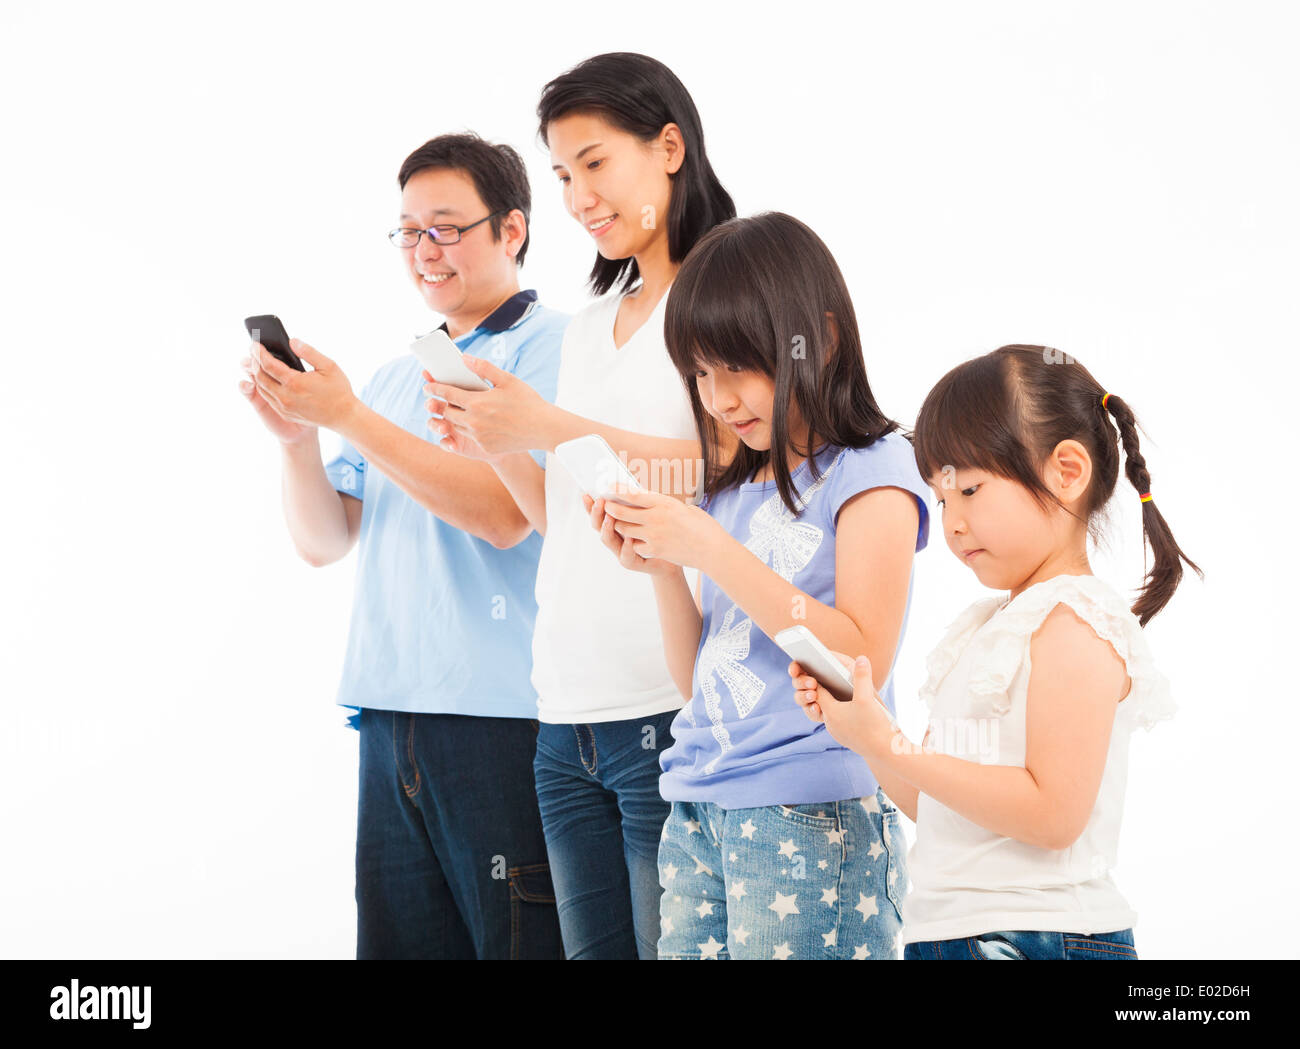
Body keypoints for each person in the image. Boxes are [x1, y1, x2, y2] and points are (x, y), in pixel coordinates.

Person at [424, 53, 736, 958]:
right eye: (562, 174)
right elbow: (569, 516)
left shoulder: (727, 292)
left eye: (594, 163)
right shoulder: (594, 322)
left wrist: (551, 422)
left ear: (669, 147)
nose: (578, 196)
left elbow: (729, 476)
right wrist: (506, 440)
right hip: (564, 715)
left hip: (664, 704)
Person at [238, 132, 567, 959]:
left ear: (513, 230)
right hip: (390, 721)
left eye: (447, 227)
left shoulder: (555, 349)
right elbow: (323, 542)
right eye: (409, 231)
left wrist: (346, 416)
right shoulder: (392, 379)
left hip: (500, 722)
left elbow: (504, 514)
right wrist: (297, 440)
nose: (425, 250)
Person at [586, 212, 931, 960]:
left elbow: (862, 657)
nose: (717, 398)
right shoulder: (734, 489)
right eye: (700, 374)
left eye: (736, 367)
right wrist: (667, 570)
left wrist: (709, 547)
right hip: (700, 807)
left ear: (823, 341)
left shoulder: (873, 469)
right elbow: (699, 678)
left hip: (810, 809)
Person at [791, 345, 1201, 960]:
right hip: (955, 934)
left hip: (1035, 936)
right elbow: (939, 807)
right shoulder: (991, 625)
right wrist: (862, 730)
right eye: (941, 498)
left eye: (971, 490)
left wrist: (887, 743)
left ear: (1067, 471)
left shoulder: (1074, 620)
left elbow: (1053, 813)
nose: (952, 523)